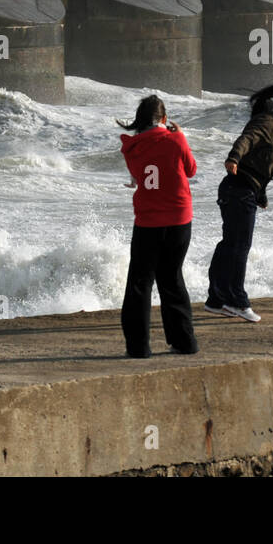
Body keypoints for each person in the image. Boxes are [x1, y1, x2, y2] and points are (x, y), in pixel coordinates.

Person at [205, 83, 273, 322]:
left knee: (230, 245)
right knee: (238, 247)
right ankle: (236, 301)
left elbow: (259, 163)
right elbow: (246, 139)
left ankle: (216, 301)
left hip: (241, 190)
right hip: (238, 191)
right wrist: (233, 157)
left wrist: (260, 194)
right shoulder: (268, 122)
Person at [118, 94, 199, 358]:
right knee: (172, 279)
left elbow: (139, 175)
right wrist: (181, 135)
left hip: (148, 221)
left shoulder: (131, 147)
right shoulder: (176, 140)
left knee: (140, 284)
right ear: (164, 119)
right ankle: (184, 342)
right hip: (178, 220)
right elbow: (191, 170)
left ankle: (139, 347)